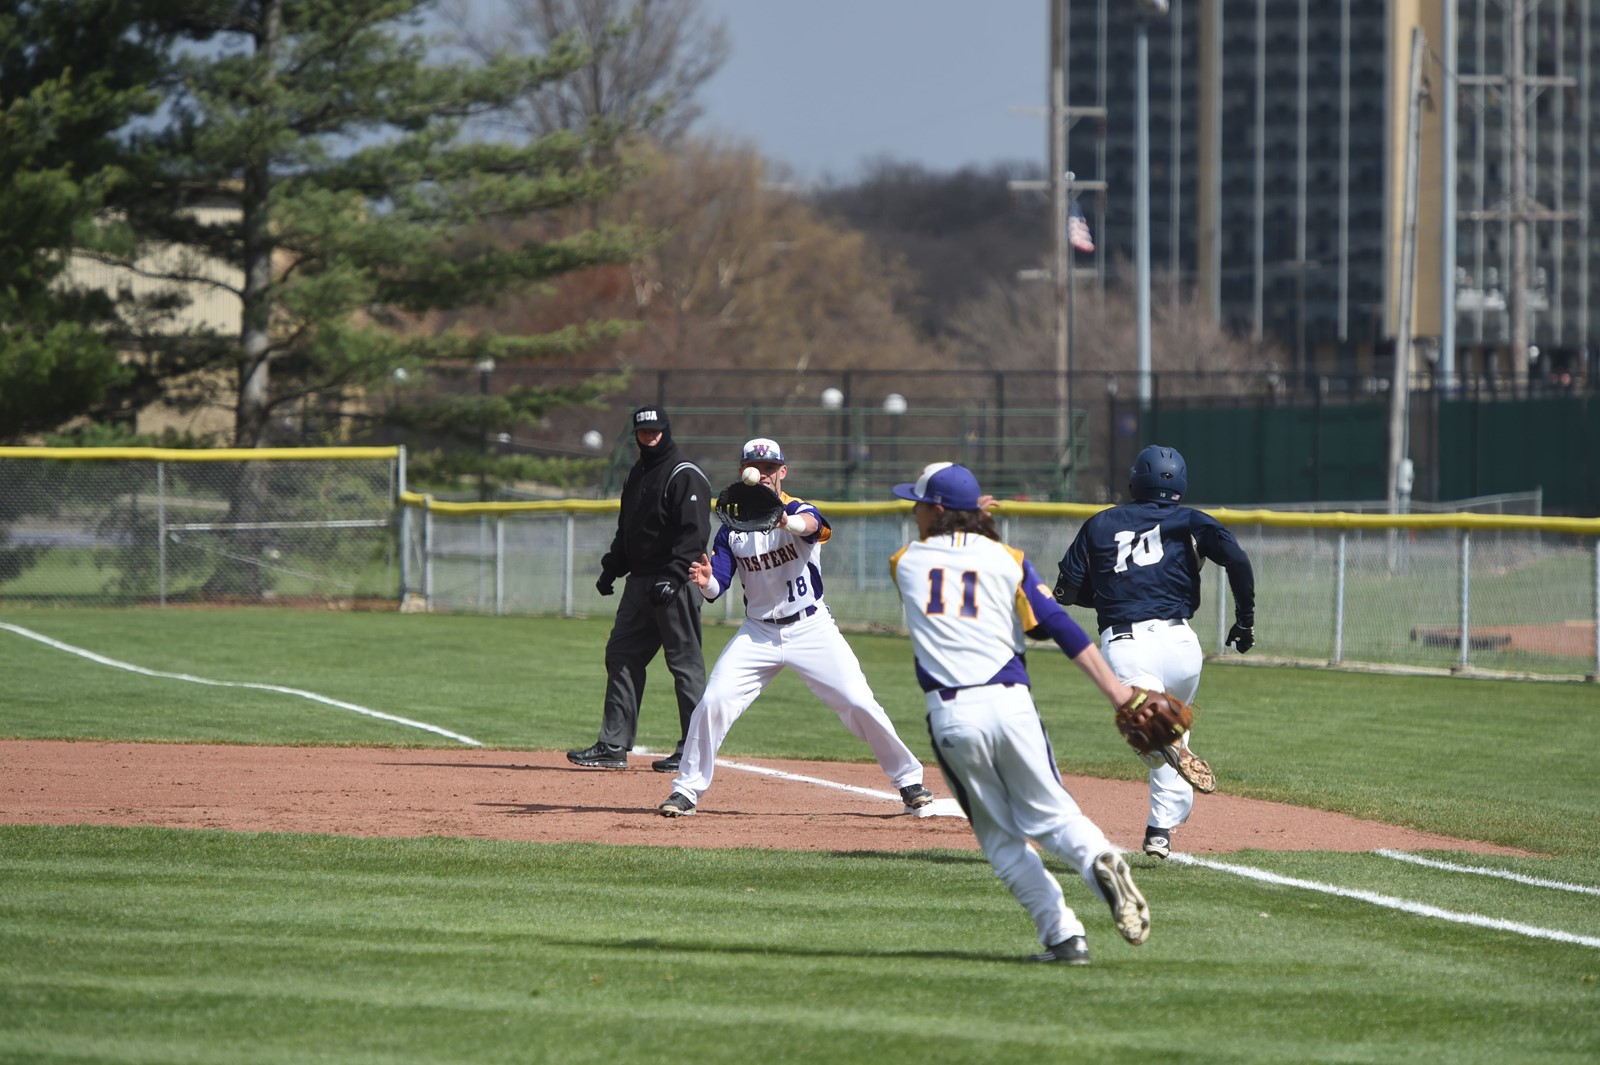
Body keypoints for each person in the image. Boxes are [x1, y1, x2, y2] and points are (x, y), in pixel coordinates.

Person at [889, 461, 1150, 965]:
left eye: (918, 504)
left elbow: (948, 559)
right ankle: (1097, 858)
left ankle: (1063, 937)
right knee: (1053, 816)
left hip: (953, 714)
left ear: (937, 511)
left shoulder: (904, 561)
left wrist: (965, 519)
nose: (914, 512)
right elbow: (1055, 626)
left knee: (1004, 843)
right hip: (1012, 703)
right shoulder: (1008, 558)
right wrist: (1119, 695)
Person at [657, 438, 933, 817]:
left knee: (857, 700)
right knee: (714, 703)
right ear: (743, 472)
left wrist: (783, 518)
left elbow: (814, 526)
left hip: (811, 628)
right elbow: (717, 587)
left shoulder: (796, 510)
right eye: (755, 466)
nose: (763, 473)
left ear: (782, 472)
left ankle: (909, 779)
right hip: (757, 633)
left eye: (770, 468)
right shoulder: (731, 526)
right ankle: (686, 790)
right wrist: (704, 579)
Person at [1052, 444, 1255, 860]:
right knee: (1175, 728)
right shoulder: (1194, 521)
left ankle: (1153, 737)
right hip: (1182, 645)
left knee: (1148, 724)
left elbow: (1067, 592)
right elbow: (1237, 559)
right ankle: (1161, 830)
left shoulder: (1100, 523)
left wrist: (1109, 596)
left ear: (1134, 481)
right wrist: (1245, 619)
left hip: (1127, 643)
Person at [568, 406, 712, 772]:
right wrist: (611, 569)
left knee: (684, 665)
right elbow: (628, 529)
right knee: (621, 654)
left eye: (655, 431)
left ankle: (692, 749)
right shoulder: (638, 473)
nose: (649, 436)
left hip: (673, 582)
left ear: (666, 430)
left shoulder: (685, 474)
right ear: (636, 433)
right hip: (640, 584)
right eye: (643, 431)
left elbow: (693, 533)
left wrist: (674, 574)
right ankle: (613, 745)